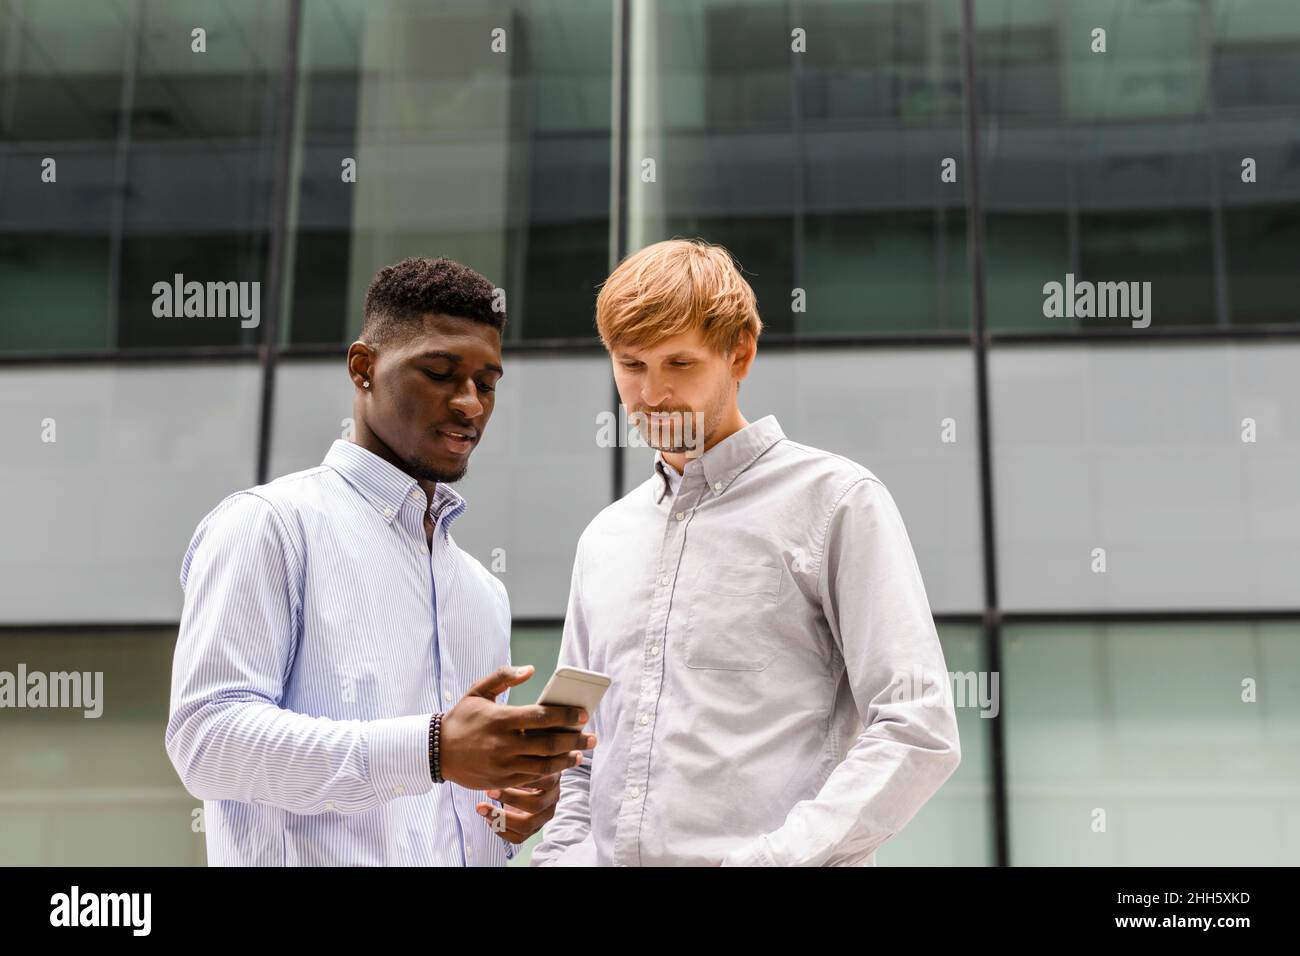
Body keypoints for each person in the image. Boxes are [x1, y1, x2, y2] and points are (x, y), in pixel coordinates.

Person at [531, 239, 960, 866]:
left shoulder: (836, 502)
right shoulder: (606, 537)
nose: (652, 395)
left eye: (679, 363)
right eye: (632, 365)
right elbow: (582, 751)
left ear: (741, 353)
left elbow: (916, 726)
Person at [166, 256, 593, 865]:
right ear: (363, 368)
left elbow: (452, 802)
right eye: (441, 372)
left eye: (487, 384)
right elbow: (206, 742)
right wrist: (433, 749)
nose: (470, 405)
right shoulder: (270, 525)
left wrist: (511, 804)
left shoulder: (481, 590)